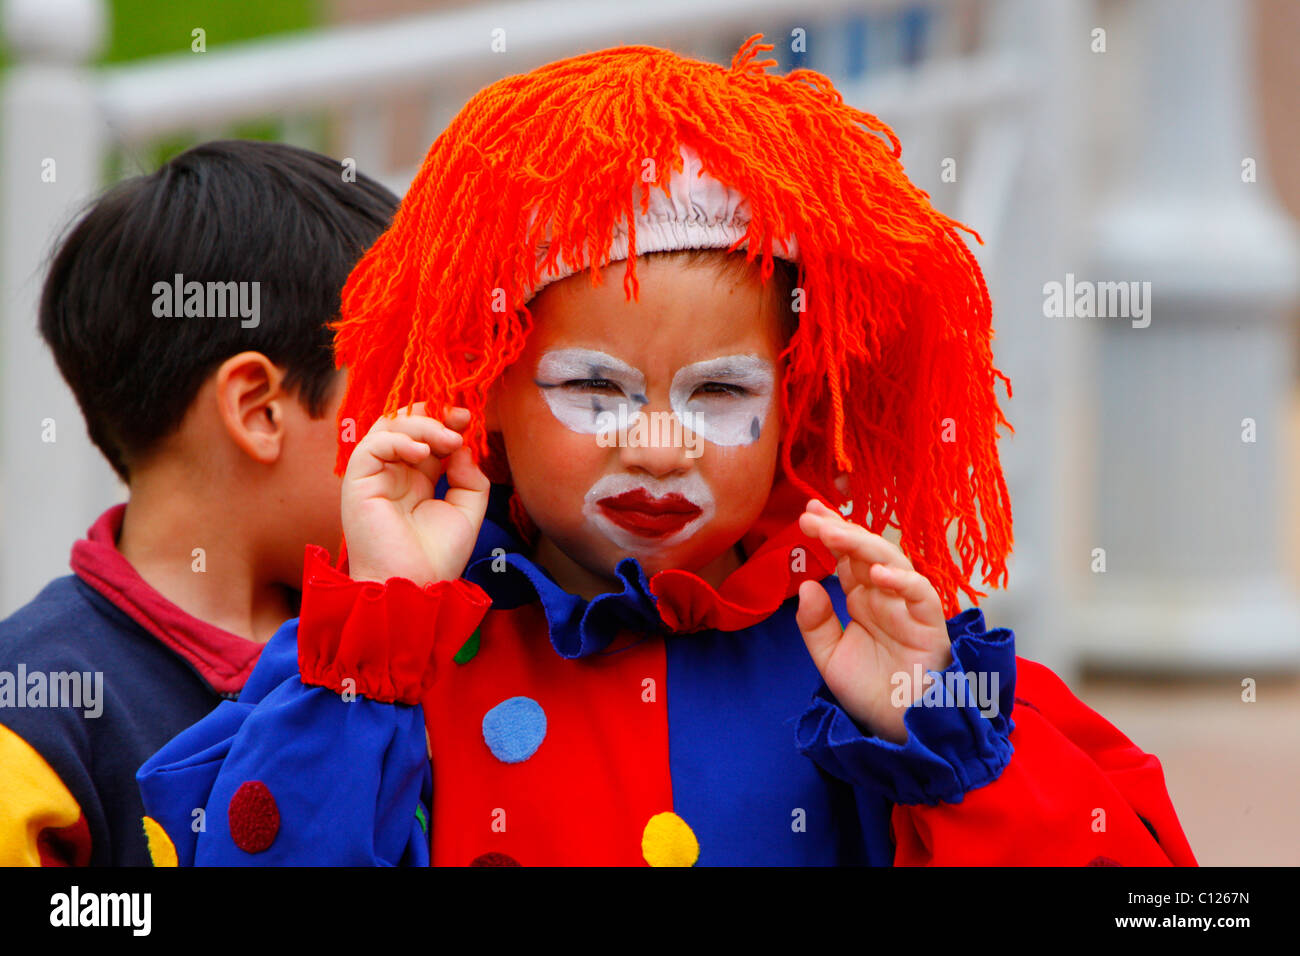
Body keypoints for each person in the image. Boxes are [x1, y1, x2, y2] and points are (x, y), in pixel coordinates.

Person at [138, 39, 1196, 866]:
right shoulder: (385, 645)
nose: (656, 443)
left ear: (797, 404)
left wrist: (936, 731)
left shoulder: (877, 648)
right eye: (592, 387)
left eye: (721, 392)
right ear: (488, 393)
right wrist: (374, 651)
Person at [0, 140, 398, 865]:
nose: (433, 426)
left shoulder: (393, 645)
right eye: (397, 386)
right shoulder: (32, 710)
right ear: (259, 410)